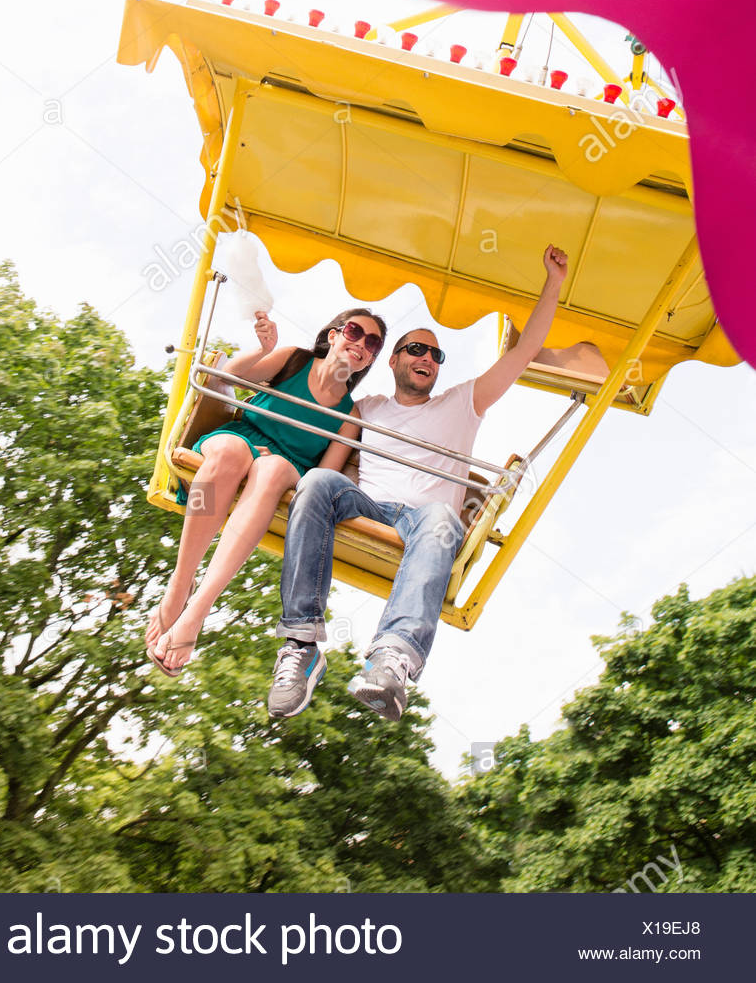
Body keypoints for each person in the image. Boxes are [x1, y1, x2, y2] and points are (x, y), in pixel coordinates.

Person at [268, 245, 569, 721]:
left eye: (436, 352)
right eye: (415, 348)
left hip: (423, 519)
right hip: (366, 504)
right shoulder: (368, 409)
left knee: (440, 519)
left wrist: (553, 281)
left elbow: (526, 350)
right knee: (320, 483)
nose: (427, 356)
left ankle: (393, 658)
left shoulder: (463, 401)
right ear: (393, 361)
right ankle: (301, 643)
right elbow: (326, 466)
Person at [146, 306, 386, 675]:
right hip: (241, 439)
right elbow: (229, 377)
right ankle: (181, 583)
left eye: (372, 343)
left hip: (287, 467)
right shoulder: (293, 360)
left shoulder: (349, 416)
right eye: (355, 331)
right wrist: (262, 349)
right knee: (228, 452)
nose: (361, 344)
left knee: (270, 469)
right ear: (334, 335)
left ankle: (197, 610)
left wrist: (270, 459)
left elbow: (320, 479)